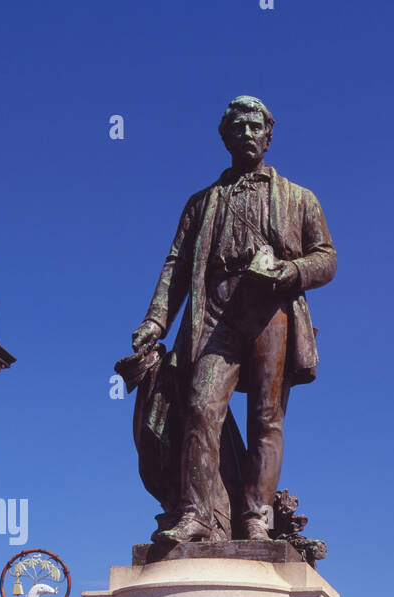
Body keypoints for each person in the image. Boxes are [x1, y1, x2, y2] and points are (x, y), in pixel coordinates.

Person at [131, 96, 336, 544]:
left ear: (268, 134)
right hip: (214, 312)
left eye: (254, 127)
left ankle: (255, 518)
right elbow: (176, 266)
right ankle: (197, 514)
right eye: (237, 128)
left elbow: (327, 258)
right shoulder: (201, 203)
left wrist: (292, 270)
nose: (246, 134)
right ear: (225, 137)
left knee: (266, 417)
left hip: (271, 310)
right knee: (201, 409)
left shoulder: (299, 198)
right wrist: (155, 323)